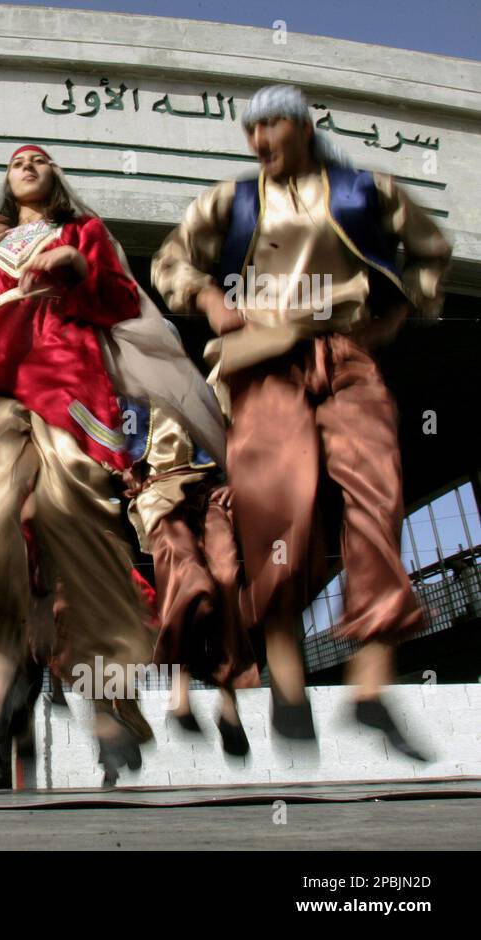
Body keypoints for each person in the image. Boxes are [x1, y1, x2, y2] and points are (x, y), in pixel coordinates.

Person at [151, 85, 450, 759]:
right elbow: (173, 259)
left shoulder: (366, 191)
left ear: (303, 125)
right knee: (278, 520)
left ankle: (370, 689)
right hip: (261, 368)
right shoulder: (231, 201)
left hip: (346, 358)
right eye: (250, 130)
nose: (259, 140)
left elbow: (431, 253)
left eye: (272, 125)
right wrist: (205, 297)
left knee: (378, 499)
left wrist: (401, 311)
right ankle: (288, 691)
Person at [0, 144, 158, 786]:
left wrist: (77, 269)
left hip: (66, 368)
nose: (27, 165)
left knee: (77, 524)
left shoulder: (83, 231)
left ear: (55, 175)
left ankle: (108, 705)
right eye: (15, 161)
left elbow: (120, 299)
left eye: (39, 158)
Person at [121, 388, 258, 757]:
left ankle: (228, 703)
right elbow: (106, 438)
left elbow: (240, 434)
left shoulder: (204, 391)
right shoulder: (129, 398)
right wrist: (123, 471)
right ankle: (179, 693)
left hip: (210, 490)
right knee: (191, 578)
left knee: (227, 578)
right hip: (161, 495)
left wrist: (237, 478)